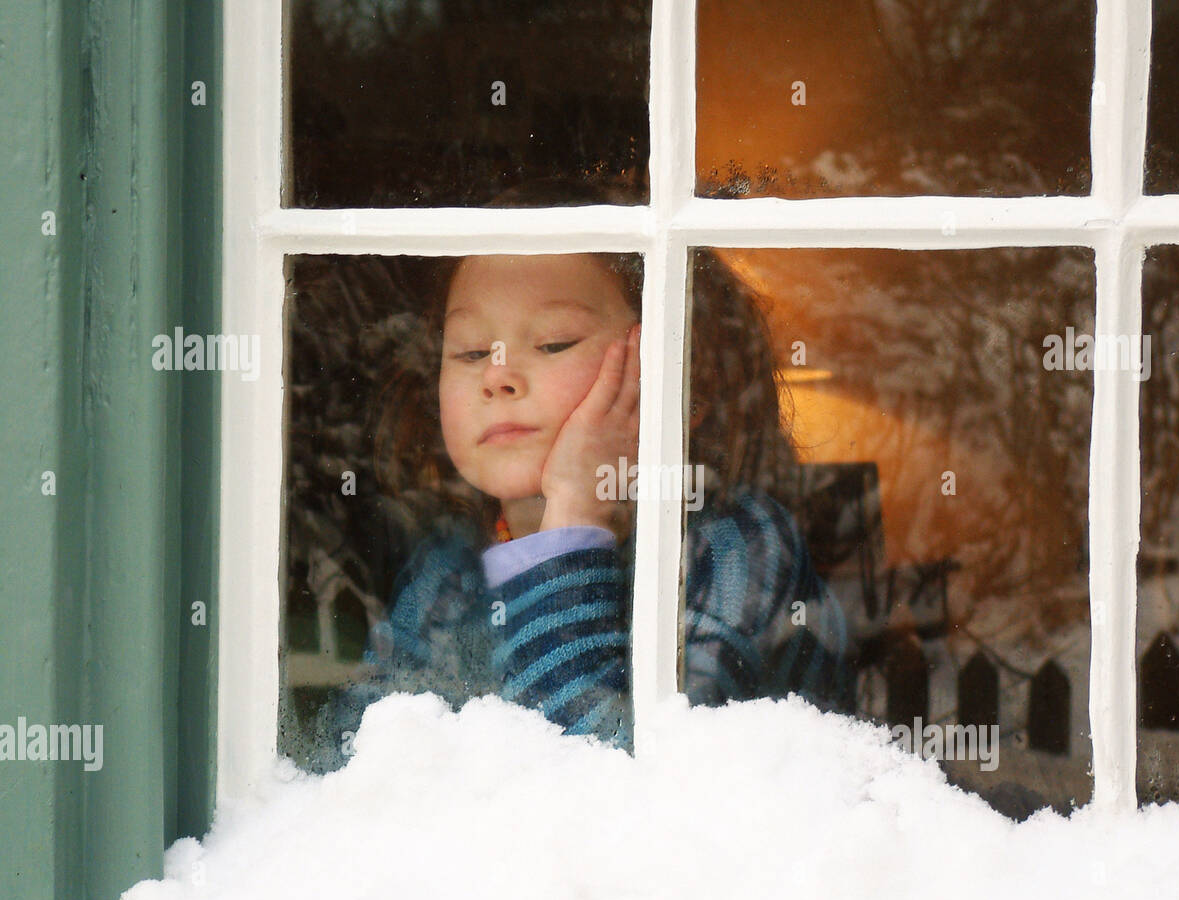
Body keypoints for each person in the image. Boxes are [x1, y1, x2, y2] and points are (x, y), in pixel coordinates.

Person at [309, 179, 850, 771]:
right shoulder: (447, 565)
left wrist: (568, 528)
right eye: (468, 351)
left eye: (553, 342)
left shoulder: (733, 549)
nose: (497, 375)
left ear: (681, 374)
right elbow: (355, 773)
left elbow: (619, 794)